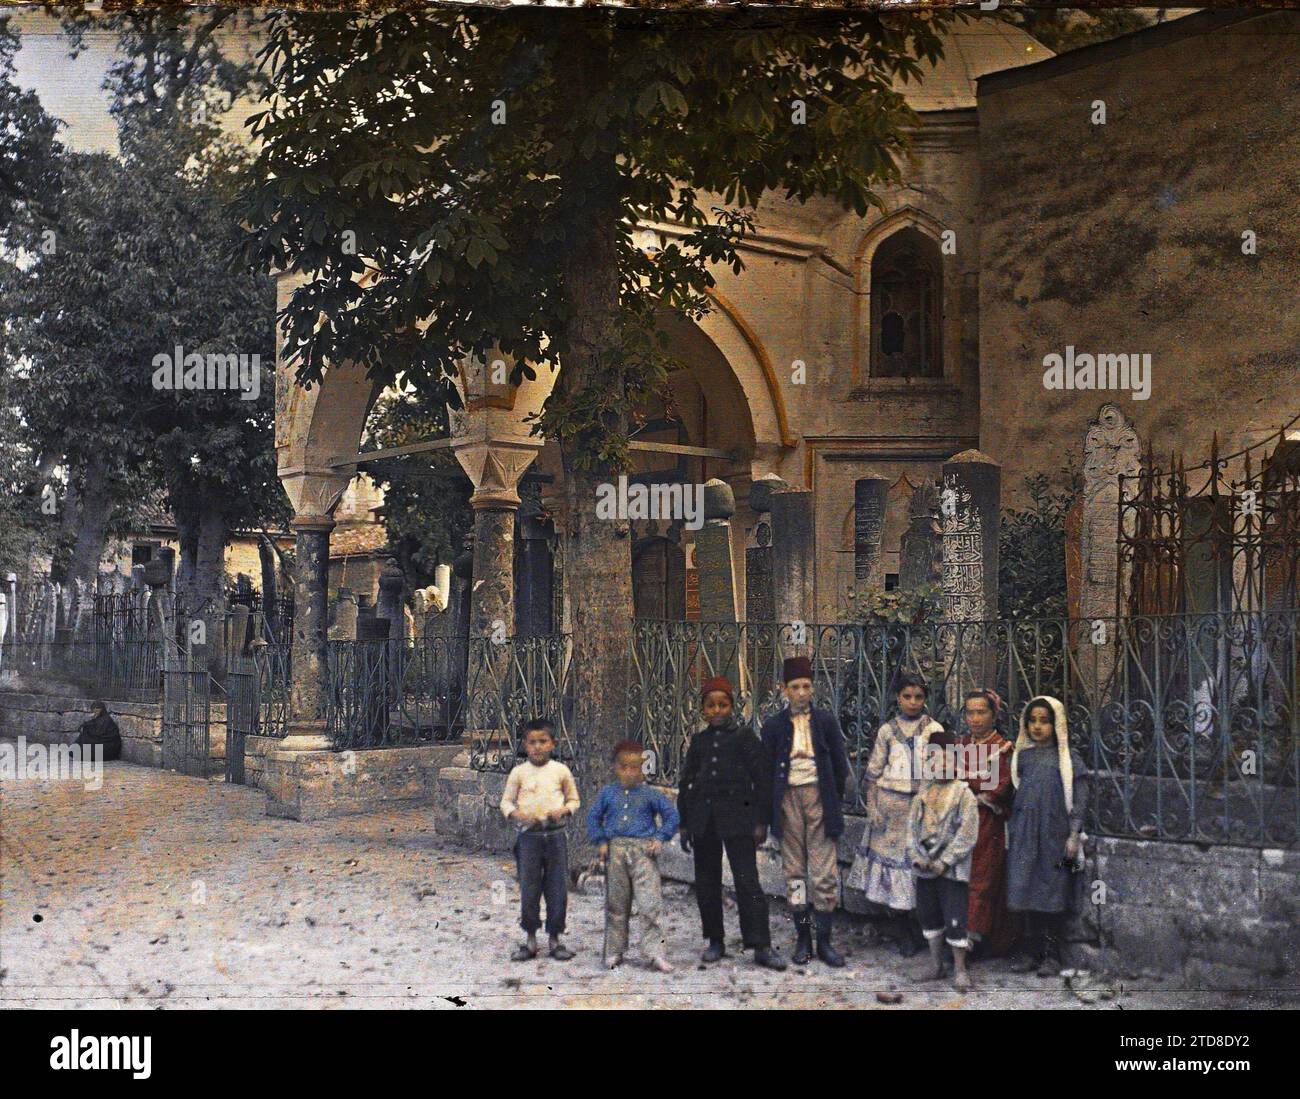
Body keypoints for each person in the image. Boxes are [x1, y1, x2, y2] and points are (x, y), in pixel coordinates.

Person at [678, 675, 787, 970]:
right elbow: (686, 783)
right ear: (702, 710)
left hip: (739, 821)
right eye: (710, 706)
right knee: (707, 882)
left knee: (747, 881)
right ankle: (715, 940)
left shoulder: (745, 739)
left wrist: (761, 822)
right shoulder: (699, 742)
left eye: (722, 705)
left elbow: (763, 782)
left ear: (732, 707)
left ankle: (761, 945)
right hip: (704, 822)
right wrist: (685, 823)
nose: (716, 711)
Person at [759, 655, 850, 967]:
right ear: (784, 690)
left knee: (824, 873)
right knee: (794, 872)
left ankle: (824, 941)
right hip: (787, 802)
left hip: (819, 799)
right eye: (795, 687)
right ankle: (803, 940)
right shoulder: (773, 726)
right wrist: (769, 812)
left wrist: (831, 800)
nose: (801, 692)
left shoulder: (825, 722)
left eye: (806, 686)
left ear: (813, 688)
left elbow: (839, 766)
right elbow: (766, 771)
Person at [846, 671, 942, 956]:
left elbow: (943, 772)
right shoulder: (887, 731)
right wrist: (873, 807)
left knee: (918, 869)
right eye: (906, 697)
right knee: (894, 872)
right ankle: (903, 932)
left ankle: (923, 929)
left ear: (925, 698)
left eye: (918, 697)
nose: (912, 703)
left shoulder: (935, 729)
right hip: (891, 810)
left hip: (922, 807)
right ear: (897, 698)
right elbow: (873, 774)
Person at [1006, 695, 1090, 977]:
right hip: (1025, 836)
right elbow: (1014, 791)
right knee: (1024, 888)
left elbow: (1080, 796)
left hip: (1055, 837)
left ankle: (1052, 955)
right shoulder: (1023, 757)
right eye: (1033, 721)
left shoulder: (1068, 759)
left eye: (1045, 721)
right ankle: (1030, 952)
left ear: (1057, 725)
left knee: (1053, 891)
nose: (1038, 726)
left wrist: (1074, 834)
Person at [587, 739, 680, 973]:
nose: (631, 772)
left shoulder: (650, 794)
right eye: (624, 767)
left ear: (643, 767)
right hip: (616, 852)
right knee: (616, 904)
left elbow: (672, 816)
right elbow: (593, 818)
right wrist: (600, 841)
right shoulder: (608, 793)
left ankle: (655, 952)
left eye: (636, 766)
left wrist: (660, 837)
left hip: (643, 853)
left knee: (650, 904)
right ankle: (614, 950)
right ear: (615, 768)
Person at [499, 717, 580, 962]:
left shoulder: (561, 771)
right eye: (532, 742)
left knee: (557, 889)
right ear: (524, 744)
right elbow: (505, 802)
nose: (537, 747)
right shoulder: (519, 772)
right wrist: (517, 814)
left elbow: (574, 800)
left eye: (543, 741)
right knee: (529, 888)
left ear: (553, 744)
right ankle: (530, 940)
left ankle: (556, 940)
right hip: (529, 839)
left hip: (555, 837)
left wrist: (563, 811)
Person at [910, 726, 980, 992]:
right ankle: (936, 963)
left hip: (950, 870)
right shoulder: (923, 795)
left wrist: (946, 860)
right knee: (929, 915)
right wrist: (917, 855)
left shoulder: (964, 795)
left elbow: (967, 834)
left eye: (947, 759)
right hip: (926, 867)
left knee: (954, 917)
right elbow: (911, 830)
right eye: (934, 759)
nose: (941, 765)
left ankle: (960, 969)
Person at [959, 688, 1016, 958]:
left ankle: (975, 939)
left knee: (983, 879)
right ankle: (958, 937)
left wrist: (971, 790)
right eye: (970, 712)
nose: (975, 718)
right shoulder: (959, 745)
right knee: (959, 878)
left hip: (988, 824)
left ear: (994, 714)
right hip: (959, 822)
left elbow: (1000, 787)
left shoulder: (1003, 749)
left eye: (981, 712)